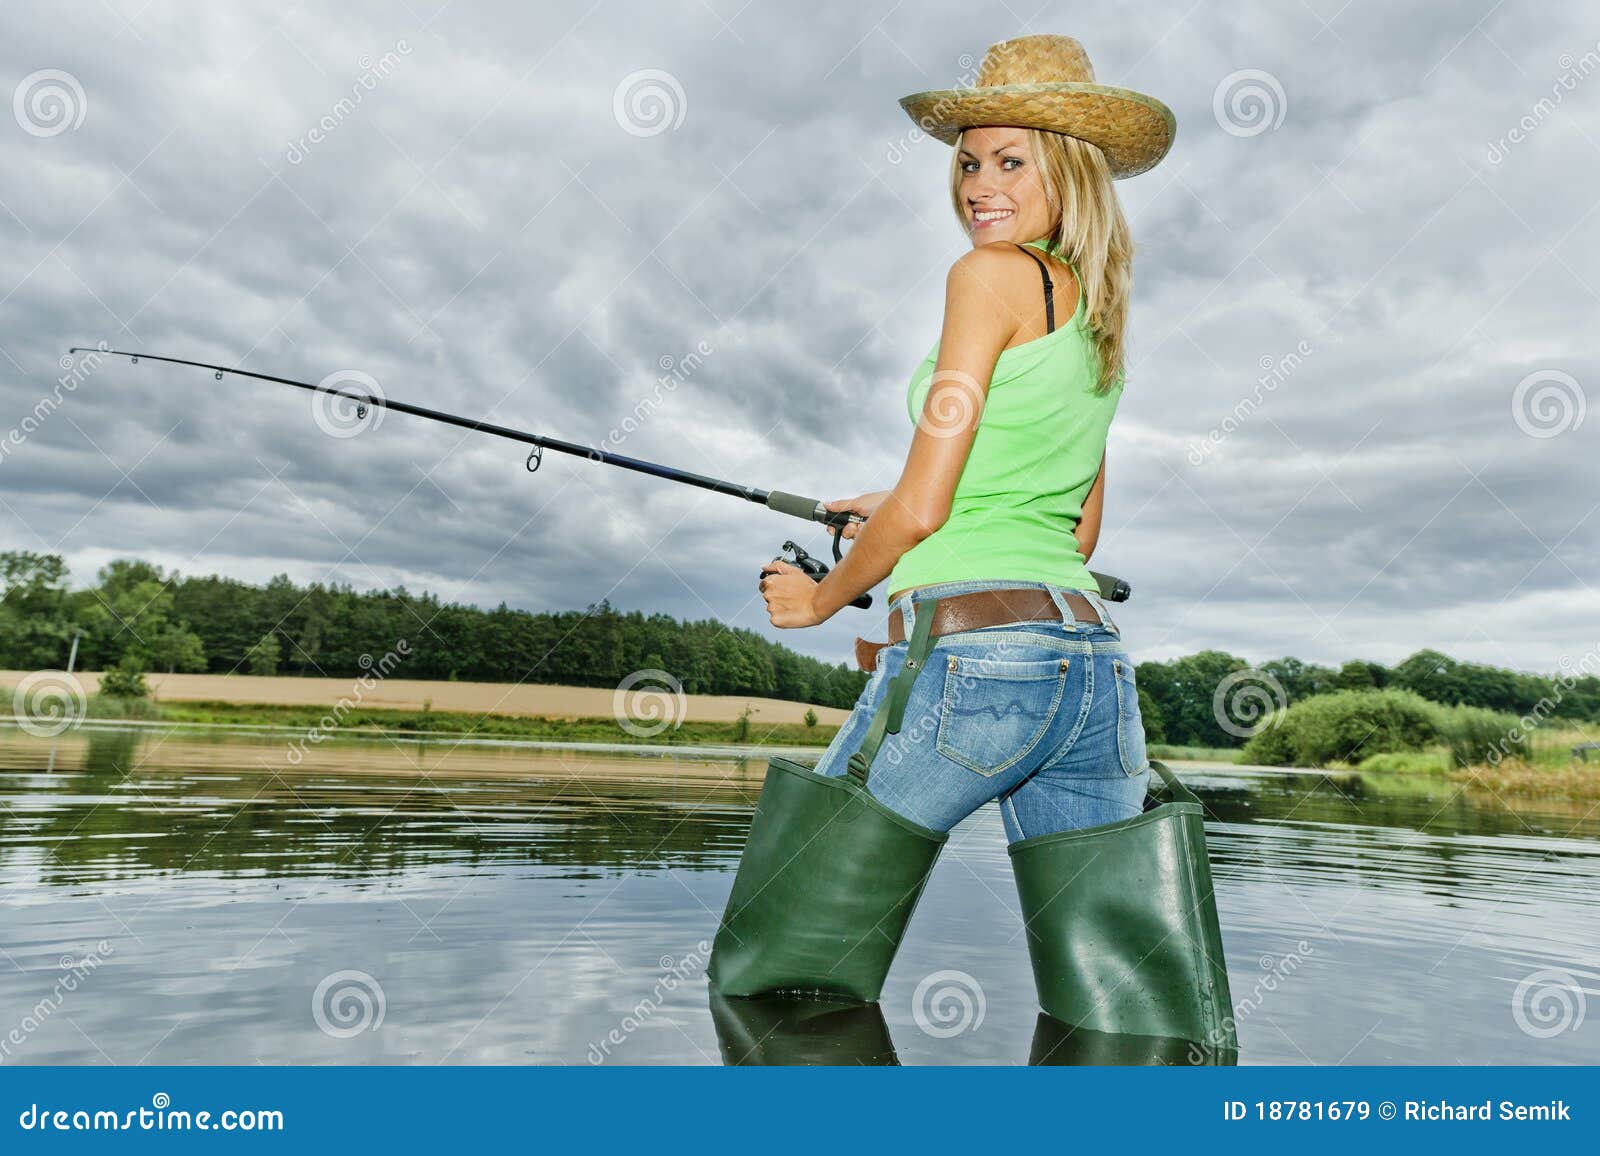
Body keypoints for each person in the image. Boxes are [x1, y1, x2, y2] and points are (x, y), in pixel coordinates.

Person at [758, 33, 1174, 842]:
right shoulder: (1100, 317)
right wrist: (883, 507)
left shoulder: (985, 277)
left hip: (971, 660)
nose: (978, 186)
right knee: (1106, 962)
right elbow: (1074, 530)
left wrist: (820, 597)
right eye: (968, 162)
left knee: (789, 933)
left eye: (1009, 162)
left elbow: (921, 510)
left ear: (1070, 168)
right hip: (1093, 668)